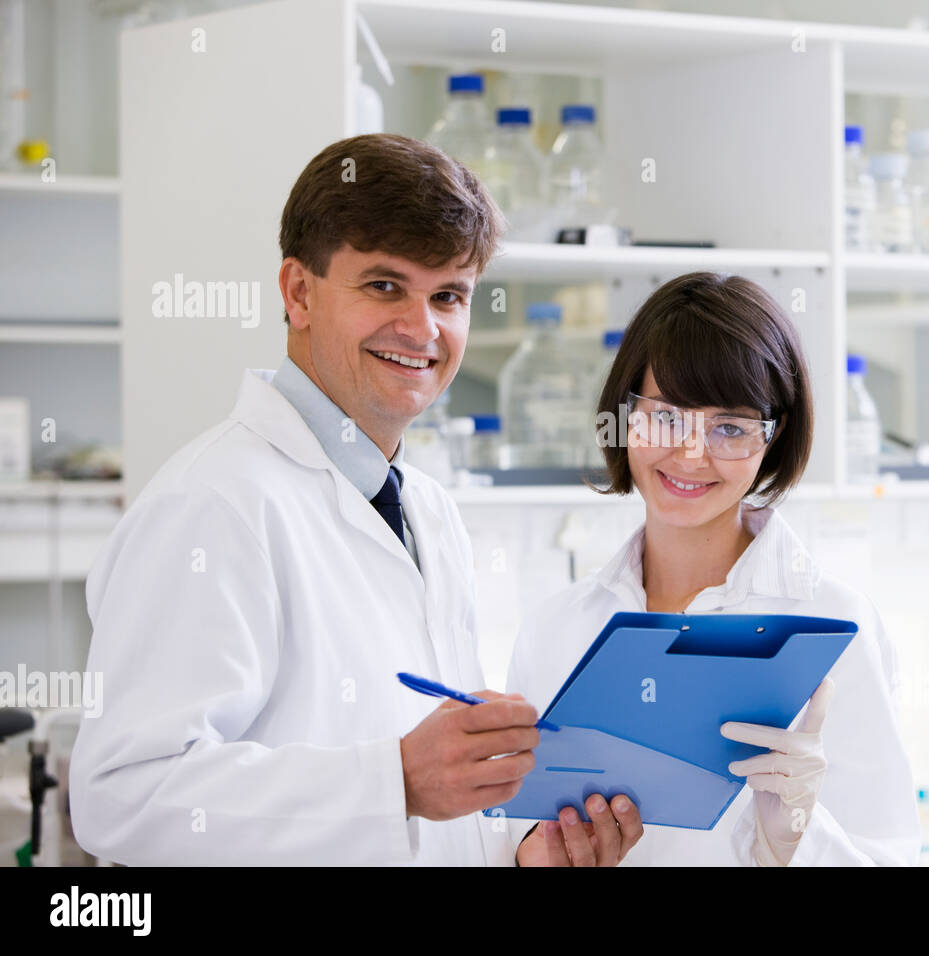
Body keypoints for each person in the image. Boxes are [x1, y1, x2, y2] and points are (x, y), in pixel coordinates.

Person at [68, 133, 643, 865]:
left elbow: (432, 799)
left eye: (448, 296)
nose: (422, 328)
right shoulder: (212, 505)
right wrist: (391, 780)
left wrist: (522, 857)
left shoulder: (428, 511)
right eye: (384, 286)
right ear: (298, 293)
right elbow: (122, 795)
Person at [509, 272, 920, 866]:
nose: (691, 454)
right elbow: (501, 836)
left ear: (772, 442)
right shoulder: (557, 629)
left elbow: (890, 858)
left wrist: (796, 841)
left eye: (730, 427)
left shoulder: (832, 627)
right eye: (666, 415)